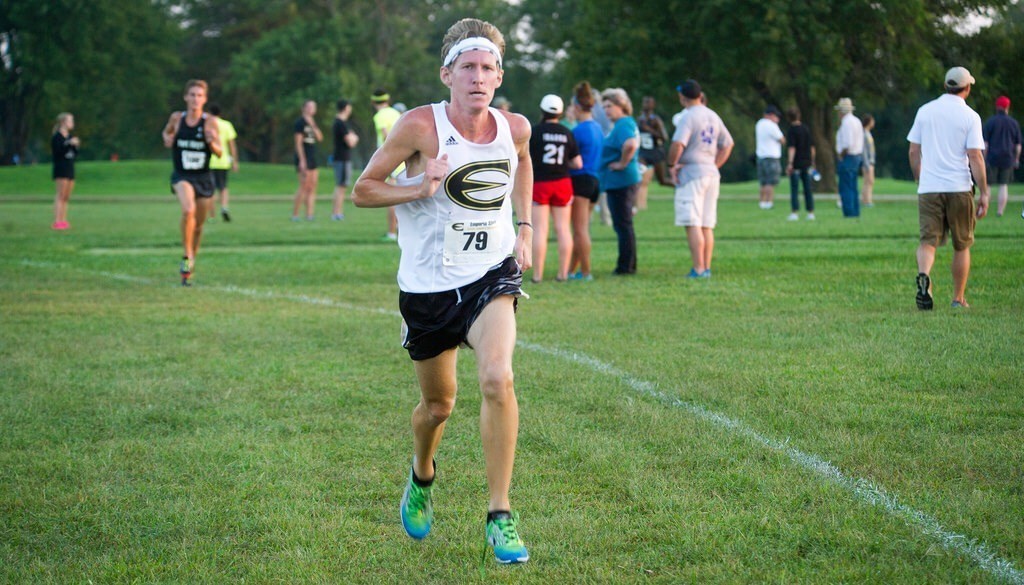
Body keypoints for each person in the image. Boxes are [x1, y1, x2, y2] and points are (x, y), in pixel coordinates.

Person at [351, 17, 532, 564]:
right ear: (447, 74)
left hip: (491, 273)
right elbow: (363, 191)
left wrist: (524, 228)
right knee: (438, 406)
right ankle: (422, 474)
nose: (478, 77)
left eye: (488, 68)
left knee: (498, 378)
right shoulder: (418, 128)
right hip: (429, 286)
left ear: (499, 77)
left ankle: (500, 514)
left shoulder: (514, 127)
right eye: (468, 68)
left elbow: (521, 164)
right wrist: (418, 185)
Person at [907, 66, 990, 310]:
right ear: (967, 88)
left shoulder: (925, 111)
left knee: (927, 241)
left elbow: (913, 150)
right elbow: (975, 156)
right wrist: (984, 191)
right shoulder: (970, 116)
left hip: (929, 187)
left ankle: (925, 276)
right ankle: (958, 298)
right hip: (959, 187)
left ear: (946, 86)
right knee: (962, 244)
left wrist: (919, 177)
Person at [668, 79, 734, 278]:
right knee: (706, 223)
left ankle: (697, 268)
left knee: (692, 222)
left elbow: (678, 143)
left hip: (692, 173)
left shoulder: (687, 117)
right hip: (711, 173)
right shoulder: (712, 115)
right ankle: (706, 267)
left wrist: (672, 165)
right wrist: (715, 164)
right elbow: (728, 143)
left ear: (682, 96)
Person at [161, 79, 223, 286]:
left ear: (204, 99)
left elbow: (220, 152)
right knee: (188, 210)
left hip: (203, 178)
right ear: (185, 97)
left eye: (200, 95)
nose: (196, 99)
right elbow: (167, 133)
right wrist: (167, 139)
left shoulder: (210, 122)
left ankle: (191, 261)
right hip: (182, 175)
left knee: (198, 225)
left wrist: (211, 141)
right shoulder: (177, 118)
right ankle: (186, 255)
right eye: (192, 95)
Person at [530, 94, 581, 283]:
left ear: (542, 110)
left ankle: (537, 276)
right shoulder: (567, 133)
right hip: (562, 183)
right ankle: (562, 274)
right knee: (563, 229)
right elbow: (578, 163)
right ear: (560, 112)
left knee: (540, 230)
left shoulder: (535, 132)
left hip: (540, 183)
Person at [599, 88, 642, 275]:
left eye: (610, 106)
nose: (606, 110)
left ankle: (625, 267)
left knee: (623, 225)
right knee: (624, 225)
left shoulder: (624, 124)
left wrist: (622, 163)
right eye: (604, 107)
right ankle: (629, 264)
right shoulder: (622, 124)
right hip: (620, 181)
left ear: (621, 106)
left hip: (622, 181)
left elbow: (630, 144)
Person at [568, 81, 604, 281]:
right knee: (582, 229)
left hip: (581, 181)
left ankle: (586, 272)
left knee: (580, 230)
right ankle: (573, 271)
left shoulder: (579, 130)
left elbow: (572, 160)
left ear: (577, 107)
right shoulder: (598, 128)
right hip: (595, 181)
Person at [982, 95, 1022, 217]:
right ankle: (1000, 212)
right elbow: (1018, 145)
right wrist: (1016, 159)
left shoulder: (990, 122)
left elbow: (985, 143)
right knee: (1003, 185)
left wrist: (984, 158)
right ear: (1007, 107)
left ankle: (984, 210)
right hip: (1008, 158)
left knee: (987, 185)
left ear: (997, 107)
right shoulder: (1013, 123)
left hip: (992, 157)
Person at [372, 89, 403, 240]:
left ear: (373, 102)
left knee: (392, 198)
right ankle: (399, 227)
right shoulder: (395, 113)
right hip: (403, 160)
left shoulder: (380, 116)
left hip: (392, 161)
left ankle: (391, 232)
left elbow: (386, 135)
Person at [636, 96, 671, 210]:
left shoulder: (655, 120)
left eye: (648, 103)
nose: (646, 105)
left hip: (656, 153)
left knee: (662, 181)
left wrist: (649, 130)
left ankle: (681, 188)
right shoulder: (639, 119)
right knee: (639, 177)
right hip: (643, 153)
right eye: (644, 102)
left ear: (653, 105)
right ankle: (640, 205)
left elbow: (664, 137)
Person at [206, 103, 239, 222]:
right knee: (223, 187)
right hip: (223, 160)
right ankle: (224, 207)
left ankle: (212, 215)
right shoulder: (227, 125)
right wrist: (235, 161)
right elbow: (232, 145)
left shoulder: (207, 124)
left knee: (210, 189)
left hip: (210, 161)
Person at [291, 100, 323, 221]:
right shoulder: (300, 123)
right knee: (304, 186)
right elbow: (298, 143)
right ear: (303, 108)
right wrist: (302, 160)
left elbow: (320, 138)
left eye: (313, 107)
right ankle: (295, 214)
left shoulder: (312, 123)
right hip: (303, 157)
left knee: (312, 186)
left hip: (312, 156)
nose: (312, 109)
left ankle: (309, 214)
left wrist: (313, 125)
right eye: (309, 107)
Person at [834, 97, 865, 217]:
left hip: (848, 156)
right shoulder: (856, 121)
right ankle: (855, 211)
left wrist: (841, 156)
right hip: (857, 156)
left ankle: (849, 212)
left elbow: (847, 143)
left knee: (845, 187)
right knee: (853, 186)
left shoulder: (846, 123)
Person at [785, 106, 816, 220]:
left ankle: (794, 212)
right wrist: (812, 161)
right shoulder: (806, 129)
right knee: (808, 188)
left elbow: (792, 148)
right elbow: (812, 147)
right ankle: (810, 212)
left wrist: (790, 163)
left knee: (794, 189)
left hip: (796, 164)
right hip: (807, 162)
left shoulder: (791, 131)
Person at [331, 99, 359, 221]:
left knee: (342, 186)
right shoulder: (340, 123)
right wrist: (355, 137)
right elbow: (351, 142)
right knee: (340, 186)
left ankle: (338, 212)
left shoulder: (342, 123)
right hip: (341, 158)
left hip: (343, 158)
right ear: (346, 108)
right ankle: (336, 213)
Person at [50, 112, 79, 230]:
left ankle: (64, 219)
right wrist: (68, 144)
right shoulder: (57, 137)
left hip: (70, 166)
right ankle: (57, 220)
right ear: (63, 122)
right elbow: (58, 151)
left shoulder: (70, 137)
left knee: (66, 196)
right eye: (70, 121)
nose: (72, 123)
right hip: (61, 167)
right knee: (60, 195)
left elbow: (74, 153)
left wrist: (75, 145)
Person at [755, 105, 785, 209]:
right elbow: (782, 139)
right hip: (771, 156)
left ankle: (762, 202)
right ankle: (769, 202)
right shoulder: (771, 125)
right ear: (771, 115)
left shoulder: (759, 124)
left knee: (763, 182)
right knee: (770, 181)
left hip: (761, 156)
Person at [861, 114, 876, 208]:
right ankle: (866, 201)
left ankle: (867, 199)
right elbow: (864, 151)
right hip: (867, 162)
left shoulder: (868, 133)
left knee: (870, 181)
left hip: (871, 161)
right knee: (868, 181)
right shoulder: (864, 134)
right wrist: (866, 163)